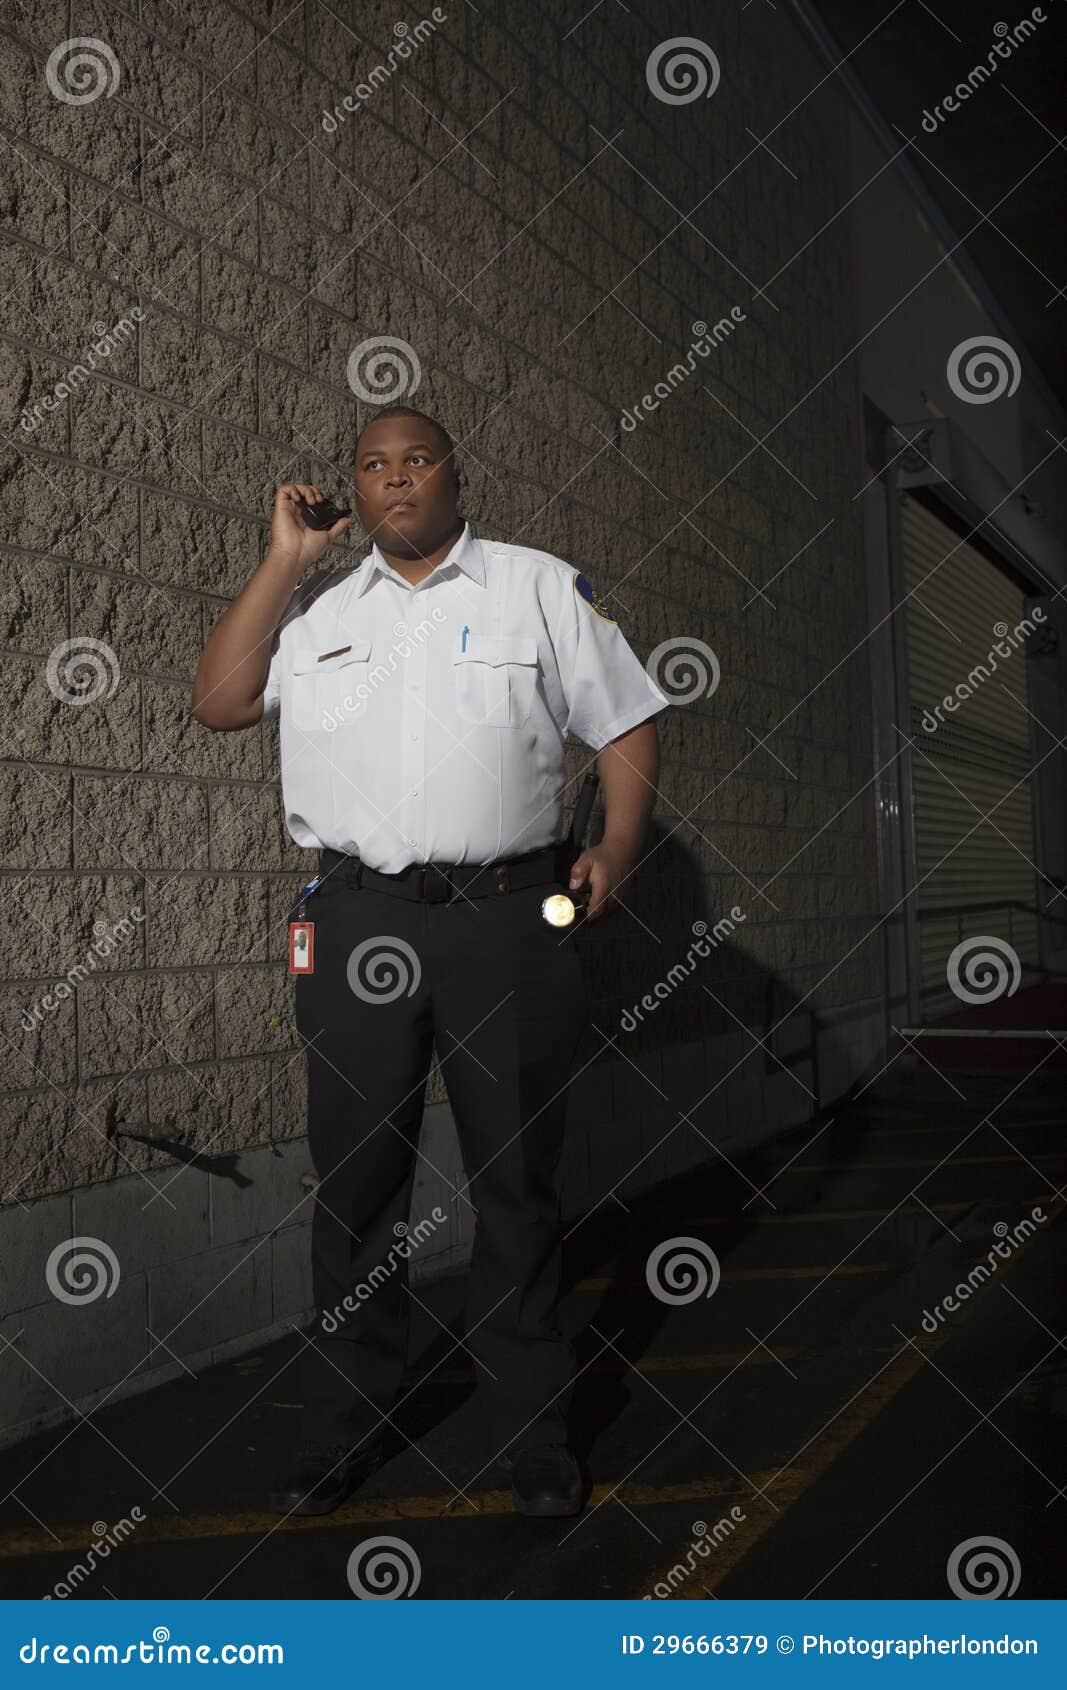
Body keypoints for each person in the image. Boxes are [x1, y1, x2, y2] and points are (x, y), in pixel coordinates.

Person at [192, 405, 668, 1518]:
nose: (395, 478)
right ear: (349, 495)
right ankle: (343, 1429)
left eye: (416, 459)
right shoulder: (315, 615)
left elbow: (628, 718)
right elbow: (217, 700)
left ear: (454, 475)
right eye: (372, 465)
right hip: (358, 922)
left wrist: (616, 844)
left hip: (509, 918)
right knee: (356, 1186)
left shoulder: (536, 587)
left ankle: (535, 1440)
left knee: (514, 1186)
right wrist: (281, 562)